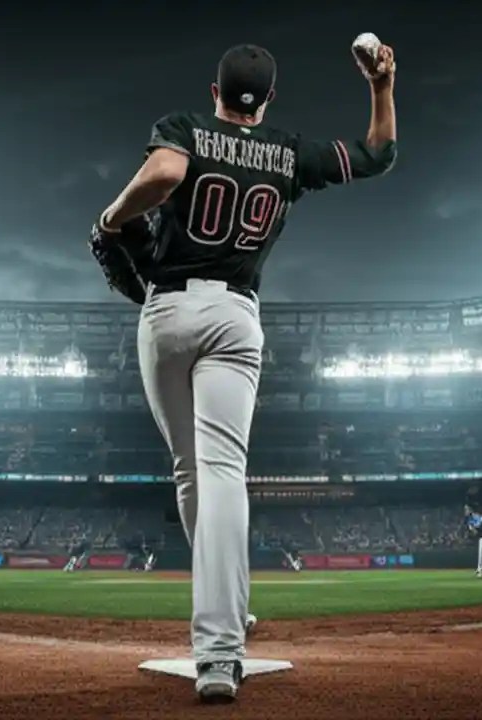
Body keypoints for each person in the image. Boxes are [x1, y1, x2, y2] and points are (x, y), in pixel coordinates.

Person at [89, 40, 397, 702]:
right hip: (236, 317)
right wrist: (381, 86)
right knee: (225, 470)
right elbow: (378, 155)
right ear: (270, 100)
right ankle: (222, 649)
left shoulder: (186, 128)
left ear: (216, 92)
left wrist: (114, 218)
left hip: (169, 311)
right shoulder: (288, 151)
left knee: (189, 471)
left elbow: (167, 174)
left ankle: (221, 621)